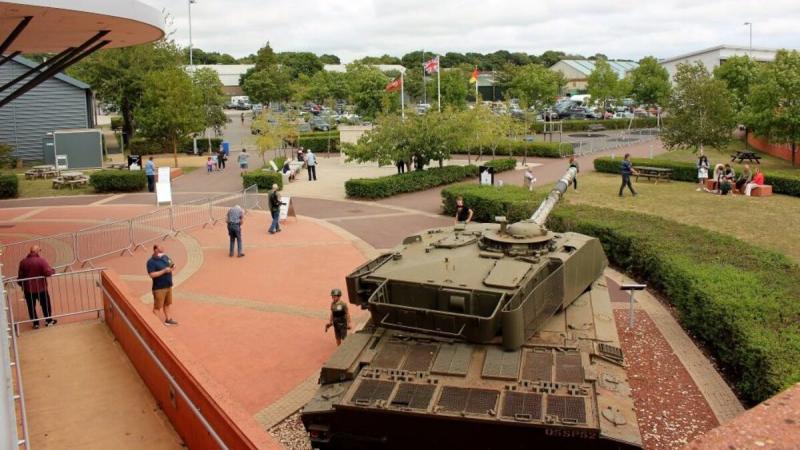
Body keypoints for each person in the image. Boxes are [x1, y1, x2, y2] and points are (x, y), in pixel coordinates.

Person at [17, 246, 56, 329]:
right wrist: (53, 271)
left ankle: (35, 323)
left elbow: (20, 276)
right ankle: (48, 320)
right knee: (45, 304)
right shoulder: (41, 261)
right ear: (37, 251)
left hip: (28, 289)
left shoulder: (23, 262)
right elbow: (47, 272)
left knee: (31, 306)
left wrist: (22, 285)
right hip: (41, 288)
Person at [146, 244, 178, 326]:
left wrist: (172, 268)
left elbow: (172, 265)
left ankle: (168, 319)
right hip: (159, 288)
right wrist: (164, 271)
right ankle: (155, 325)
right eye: (161, 248)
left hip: (168, 286)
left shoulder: (165, 257)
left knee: (167, 304)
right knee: (157, 307)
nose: (163, 249)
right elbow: (152, 275)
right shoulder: (151, 262)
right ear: (155, 250)